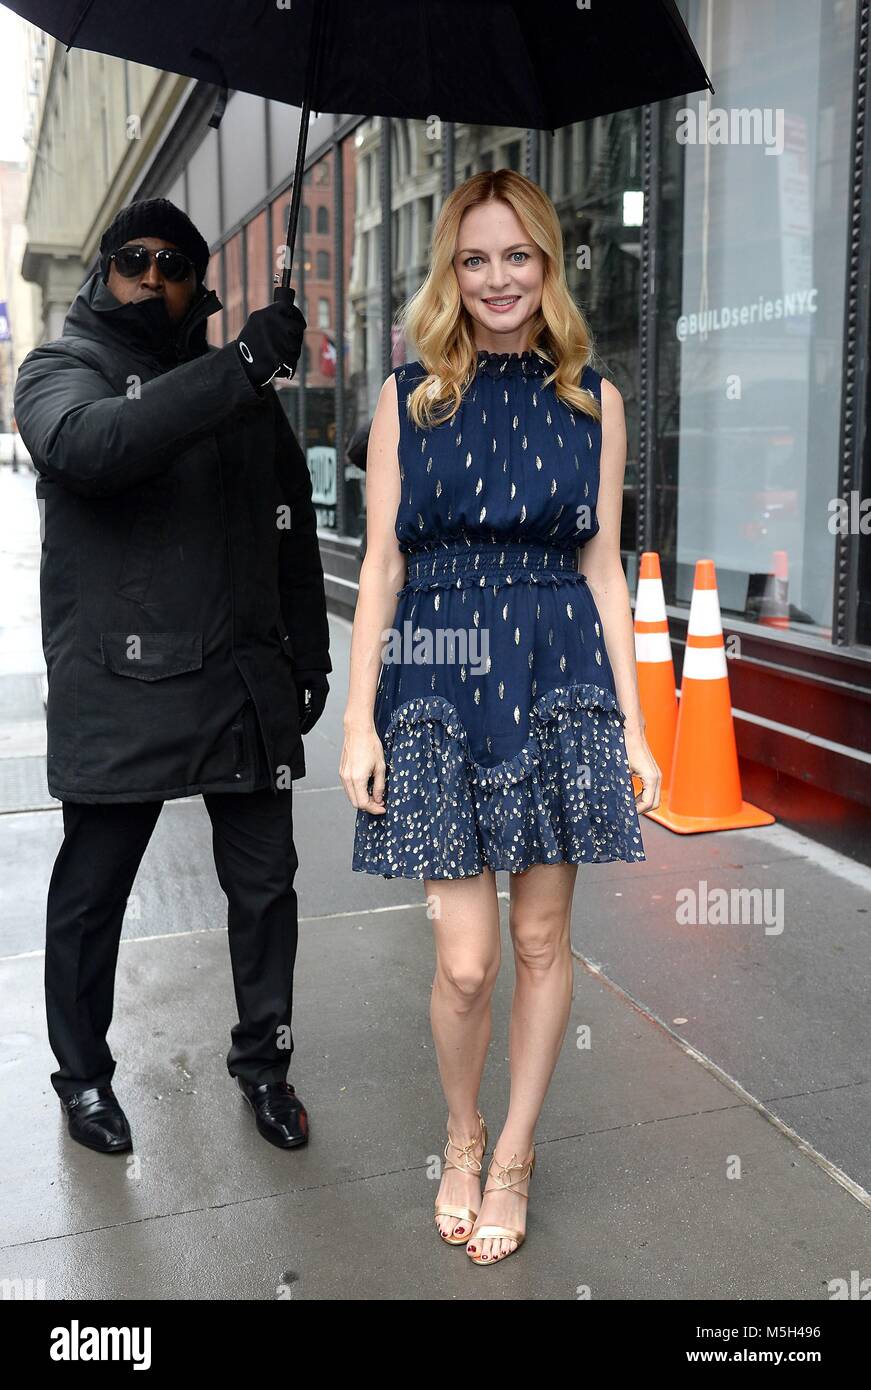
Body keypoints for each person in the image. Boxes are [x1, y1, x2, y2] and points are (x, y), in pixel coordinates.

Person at [340, 169, 660, 1265]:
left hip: (558, 673)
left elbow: (605, 573)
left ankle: (513, 1151)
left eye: (515, 255)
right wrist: (355, 721)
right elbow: (380, 564)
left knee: (537, 937)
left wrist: (640, 728)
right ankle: (460, 1129)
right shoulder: (406, 397)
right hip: (434, 678)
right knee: (466, 960)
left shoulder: (594, 401)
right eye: (473, 259)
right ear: (450, 271)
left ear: (547, 264)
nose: (496, 279)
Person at [13, 197, 331, 1156]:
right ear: (103, 270)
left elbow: (291, 532)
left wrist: (309, 653)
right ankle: (83, 1080)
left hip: (239, 680)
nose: (153, 277)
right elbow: (93, 447)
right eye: (134, 259)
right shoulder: (60, 369)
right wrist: (238, 367)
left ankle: (265, 1069)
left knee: (266, 888)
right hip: (122, 690)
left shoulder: (236, 386)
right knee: (92, 896)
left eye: (176, 265)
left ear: (201, 285)